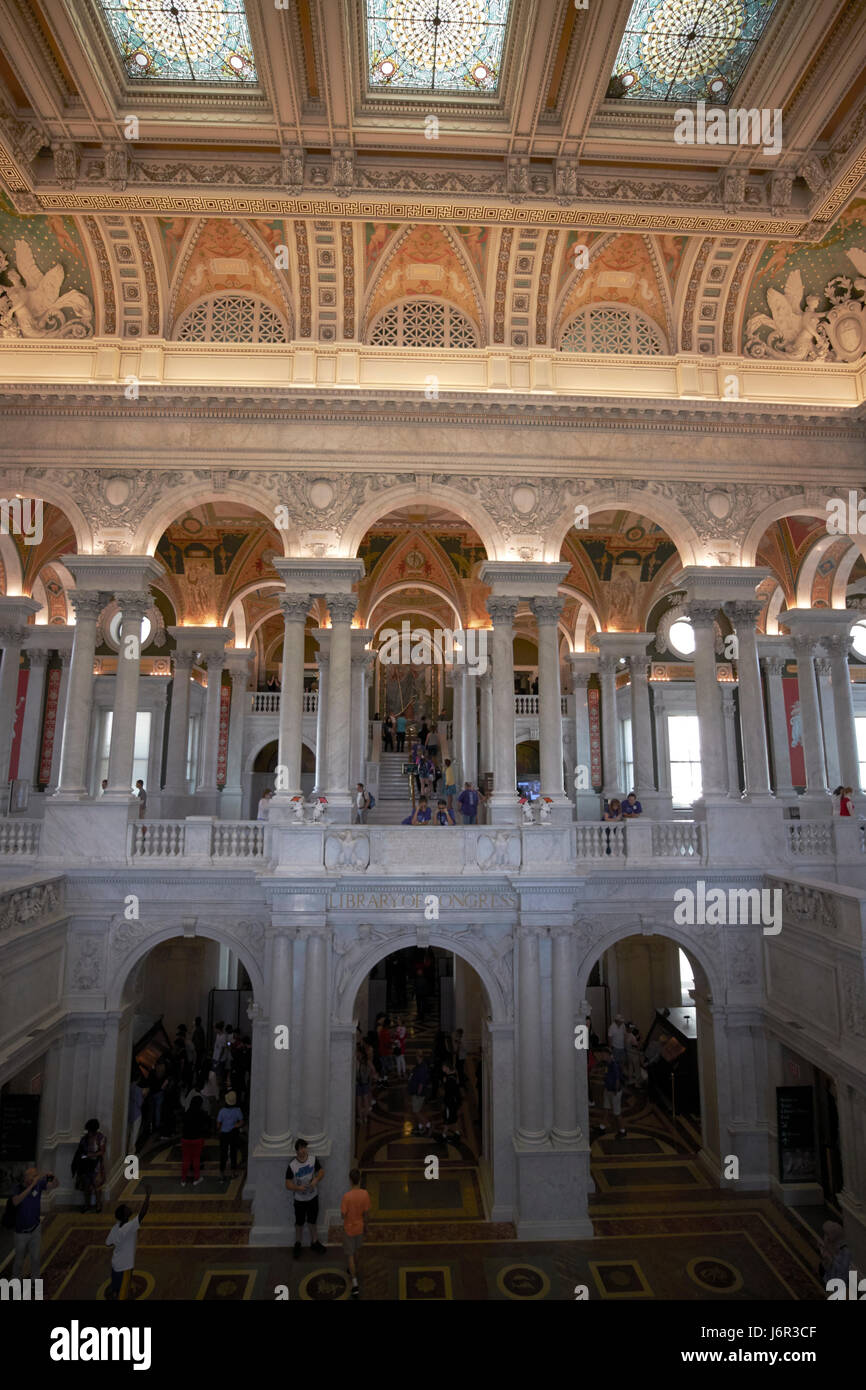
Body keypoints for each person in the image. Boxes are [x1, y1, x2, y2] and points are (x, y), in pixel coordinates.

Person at [105, 1185, 151, 1301]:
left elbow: (108, 1243)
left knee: (116, 1287)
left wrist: (119, 1243)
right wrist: (148, 1196)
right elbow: (142, 1214)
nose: (129, 1208)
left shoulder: (116, 1228)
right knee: (123, 1292)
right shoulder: (128, 1227)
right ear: (125, 1216)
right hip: (125, 1266)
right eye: (127, 1209)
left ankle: (115, 1292)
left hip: (116, 1263)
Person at [11, 1167, 58, 1280]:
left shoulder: (39, 1184)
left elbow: (54, 1185)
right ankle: (16, 1279)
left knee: (36, 1258)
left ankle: (35, 1280)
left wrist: (52, 1176)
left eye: (36, 1175)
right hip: (21, 1233)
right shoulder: (17, 1188)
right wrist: (32, 1186)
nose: (36, 1177)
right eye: (33, 1175)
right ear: (26, 1177)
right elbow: (16, 1201)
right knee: (19, 1259)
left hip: (35, 1229)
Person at [285, 1138, 326, 1259]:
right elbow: (287, 1184)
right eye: (301, 1149)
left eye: (304, 1148)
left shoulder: (313, 1159)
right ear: (297, 1151)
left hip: (313, 1197)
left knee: (313, 1220)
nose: (303, 1151)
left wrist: (315, 1180)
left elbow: (321, 1172)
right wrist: (298, 1188)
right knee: (299, 1222)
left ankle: (315, 1241)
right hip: (300, 1200)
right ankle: (298, 1243)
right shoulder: (292, 1165)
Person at [341, 1168, 371, 1299]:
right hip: (359, 1227)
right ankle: (355, 1270)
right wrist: (366, 1225)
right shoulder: (365, 1194)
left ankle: (354, 1283)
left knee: (350, 1256)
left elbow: (343, 1215)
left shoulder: (346, 1197)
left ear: (350, 1180)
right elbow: (366, 1213)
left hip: (349, 1228)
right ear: (360, 1180)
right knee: (357, 1251)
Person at [73, 1117, 107, 1214]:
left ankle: (98, 1205)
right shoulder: (84, 1139)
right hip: (86, 1165)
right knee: (86, 1185)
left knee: (96, 1186)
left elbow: (102, 1151)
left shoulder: (101, 1138)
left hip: (96, 1165)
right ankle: (87, 1205)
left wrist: (91, 1155)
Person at [181, 1094, 210, 1187]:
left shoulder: (186, 1113)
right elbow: (206, 1124)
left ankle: (183, 1180)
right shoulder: (202, 1113)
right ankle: (196, 1179)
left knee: (186, 1159)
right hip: (197, 1139)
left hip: (185, 1139)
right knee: (196, 1159)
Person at [216, 1089, 244, 1180]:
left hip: (224, 1134)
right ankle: (233, 1173)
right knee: (233, 1153)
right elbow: (241, 1122)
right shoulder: (237, 1110)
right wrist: (235, 1125)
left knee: (223, 1153)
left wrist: (220, 1129)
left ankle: (221, 1173)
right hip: (233, 1133)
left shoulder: (222, 1111)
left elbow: (218, 1124)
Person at [601, 1054, 627, 1138]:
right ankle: (602, 1127)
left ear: (609, 1056)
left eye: (603, 1055)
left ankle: (622, 1130)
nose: (602, 1056)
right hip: (608, 1090)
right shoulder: (607, 1065)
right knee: (606, 1109)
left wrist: (615, 1090)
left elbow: (617, 1079)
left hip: (614, 1092)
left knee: (617, 1113)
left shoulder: (614, 1065)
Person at [818, 1220, 850, 1287]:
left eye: (827, 1234)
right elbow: (826, 1266)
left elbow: (843, 1270)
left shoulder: (845, 1251)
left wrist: (831, 1258)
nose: (825, 1237)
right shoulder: (830, 1246)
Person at [408, 1052, 431, 1135]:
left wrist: (418, 1094)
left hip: (418, 1093)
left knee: (416, 1111)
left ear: (419, 1057)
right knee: (418, 1110)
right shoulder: (420, 1065)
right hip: (417, 1091)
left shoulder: (422, 1068)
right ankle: (420, 1126)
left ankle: (427, 1124)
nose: (416, 1057)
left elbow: (421, 1083)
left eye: (416, 1056)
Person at [440, 1062, 462, 1142]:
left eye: (443, 1067)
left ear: (447, 1068)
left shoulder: (449, 1079)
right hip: (454, 1102)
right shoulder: (453, 1076)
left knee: (448, 1119)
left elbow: (449, 1091)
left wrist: (445, 1083)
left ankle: (444, 1135)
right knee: (453, 1118)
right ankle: (457, 1133)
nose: (442, 1069)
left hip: (450, 1102)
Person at [356, 1046, 374, 1123]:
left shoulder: (357, 1062)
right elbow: (373, 1071)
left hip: (358, 1084)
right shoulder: (368, 1062)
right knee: (366, 1101)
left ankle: (360, 1118)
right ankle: (365, 1117)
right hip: (366, 1083)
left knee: (359, 1102)